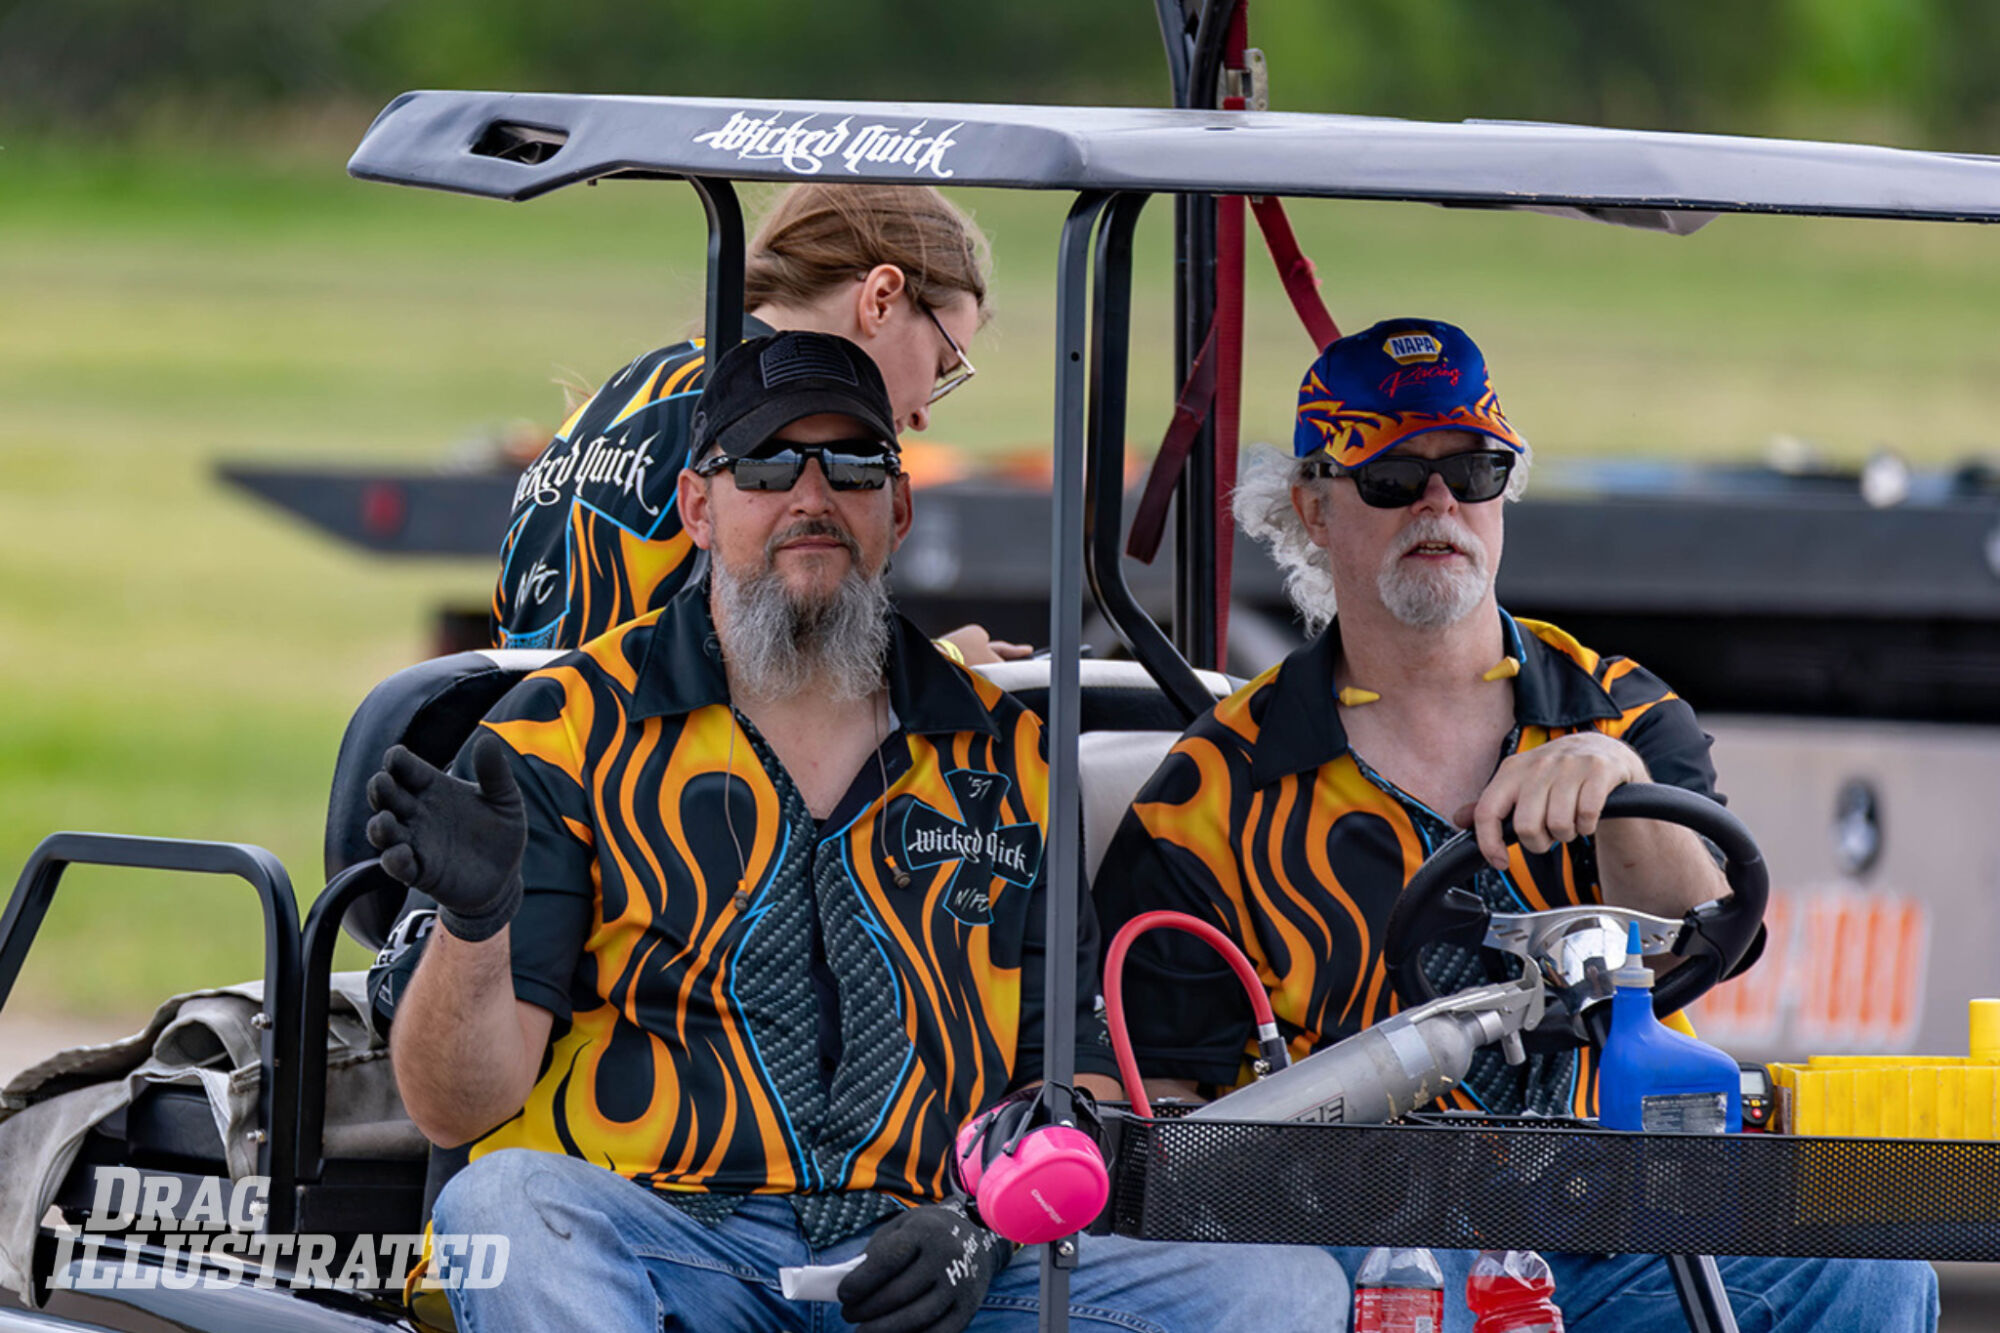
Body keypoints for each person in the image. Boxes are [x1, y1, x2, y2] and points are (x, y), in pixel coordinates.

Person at [368, 331, 1346, 1332]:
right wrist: (473, 925)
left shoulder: (1007, 755)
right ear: (699, 508)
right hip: (671, 1238)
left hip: (935, 1258)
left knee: (1283, 1290)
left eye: (851, 464)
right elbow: (457, 1110)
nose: (810, 494)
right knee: (505, 1207)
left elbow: (1076, 1075)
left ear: (898, 508)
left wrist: (982, 1227)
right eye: (764, 463)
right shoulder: (564, 731)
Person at [1091, 318, 1938, 1333]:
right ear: (1313, 508)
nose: (1439, 502)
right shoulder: (1213, 791)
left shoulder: (1620, 706)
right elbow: (1161, 1103)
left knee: (1876, 1278)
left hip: (1609, 1233)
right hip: (1365, 1256)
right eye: (1394, 476)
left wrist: (1614, 778)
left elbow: (1713, 928)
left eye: (1473, 470)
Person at [492, 181, 1025, 663]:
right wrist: (951, 662)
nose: (923, 413)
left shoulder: (632, 387)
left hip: (535, 743)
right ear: (880, 300)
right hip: (641, 759)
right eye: (943, 364)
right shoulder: (780, 428)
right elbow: (797, 686)